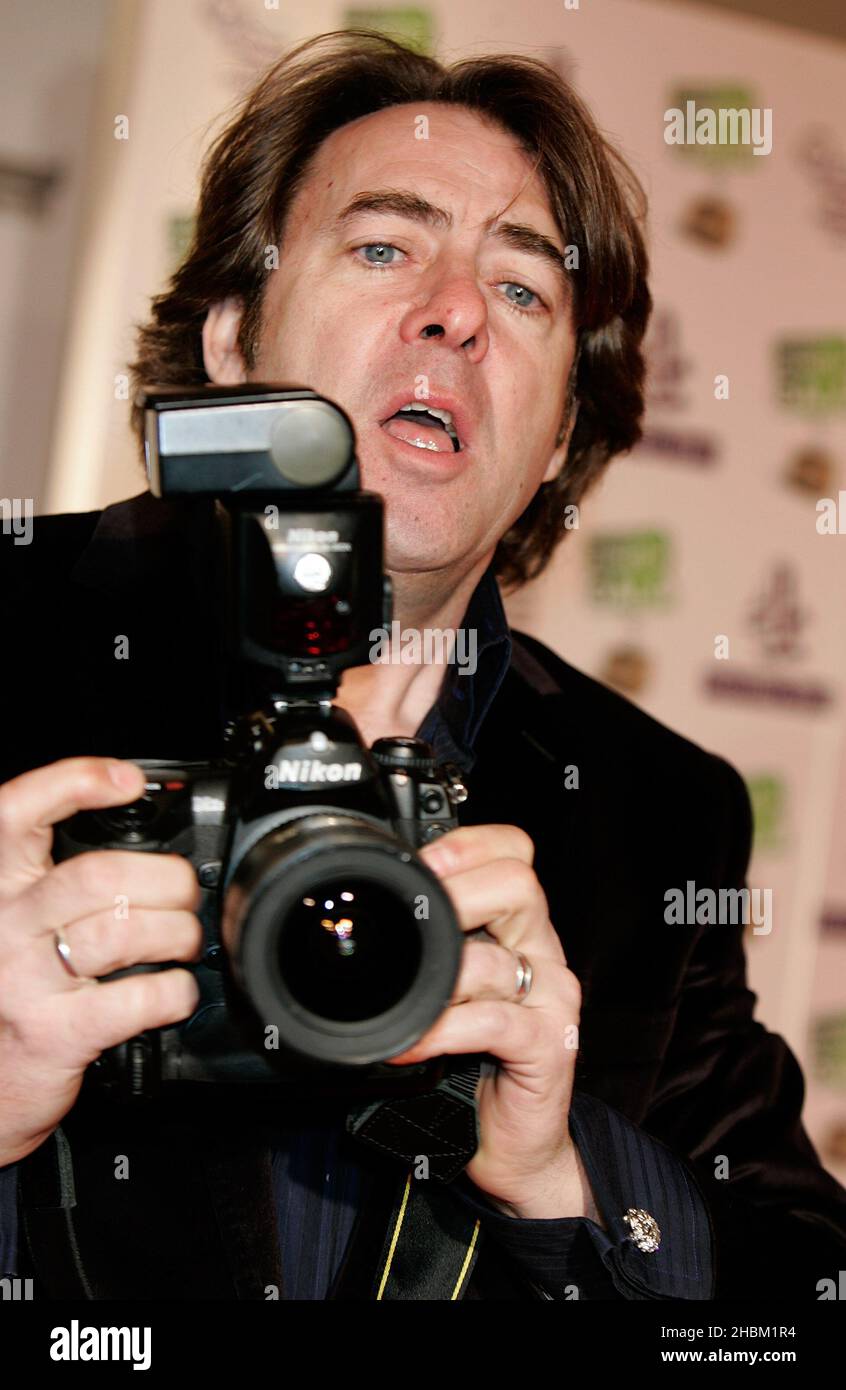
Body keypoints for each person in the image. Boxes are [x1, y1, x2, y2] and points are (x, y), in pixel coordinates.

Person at [1, 29, 844, 1302]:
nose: (453, 310)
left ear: (561, 432)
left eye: (521, 291)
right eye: (385, 246)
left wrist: (567, 1176)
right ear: (233, 341)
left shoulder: (654, 809)